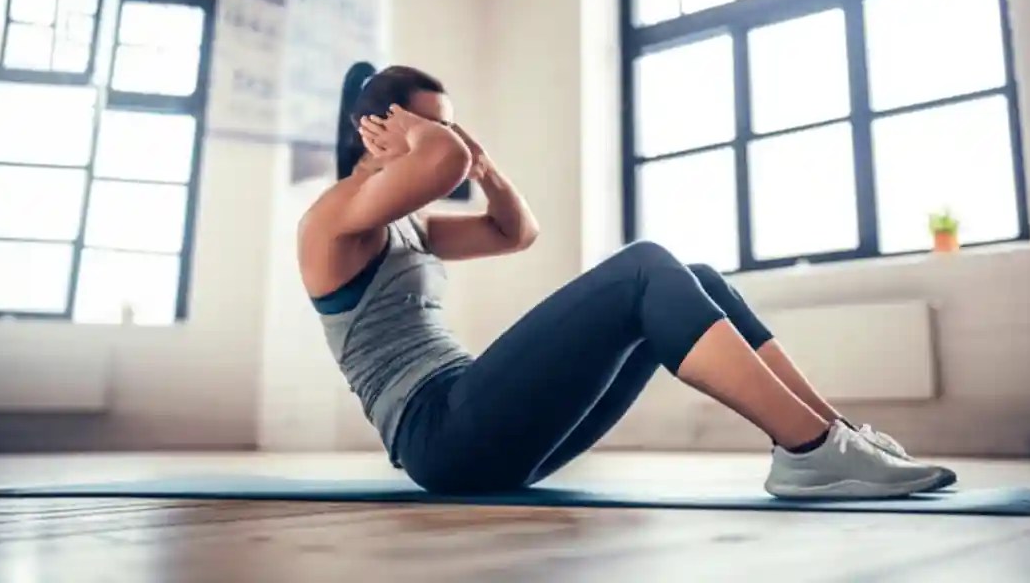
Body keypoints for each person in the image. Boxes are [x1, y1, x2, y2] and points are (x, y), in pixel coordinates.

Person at [297, 62, 957, 498]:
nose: (446, 135)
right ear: (377, 130)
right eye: (430, 122)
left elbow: (514, 232)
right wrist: (437, 139)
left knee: (696, 278)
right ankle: (811, 451)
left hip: (479, 429)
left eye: (446, 124)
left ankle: (829, 433)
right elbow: (445, 160)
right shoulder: (335, 219)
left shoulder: (413, 223)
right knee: (644, 266)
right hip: (438, 435)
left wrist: (486, 167)